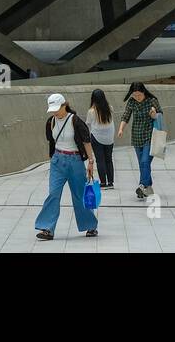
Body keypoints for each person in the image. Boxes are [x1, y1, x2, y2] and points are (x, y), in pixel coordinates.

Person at [35, 93, 98, 240]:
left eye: (58, 108)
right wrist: (53, 159)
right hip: (58, 161)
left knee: (79, 195)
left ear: (65, 105)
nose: (55, 112)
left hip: (75, 161)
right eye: (53, 109)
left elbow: (86, 141)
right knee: (53, 194)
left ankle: (90, 226)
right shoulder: (50, 121)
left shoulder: (75, 121)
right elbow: (51, 141)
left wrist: (90, 161)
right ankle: (48, 228)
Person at [118, 81, 164, 199]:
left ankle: (142, 185)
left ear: (144, 92)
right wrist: (121, 129)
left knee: (144, 162)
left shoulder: (152, 100)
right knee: (142, 164)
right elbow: (126, 116)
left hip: (150, 136)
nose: (137, 97)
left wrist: (153, 114)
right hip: (137, 136)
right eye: (135, 95)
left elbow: (159, 115)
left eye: (139, 95)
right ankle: (148, 188)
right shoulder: (132, 101)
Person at [87, 89, 116, 189]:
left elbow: (88, 124)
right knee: (109, 159)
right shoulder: (110, 108)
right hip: (109, 137)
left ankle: (103, 183)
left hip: (97, 137)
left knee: (100, 160)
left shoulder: (91, 111)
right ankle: (111, 182)